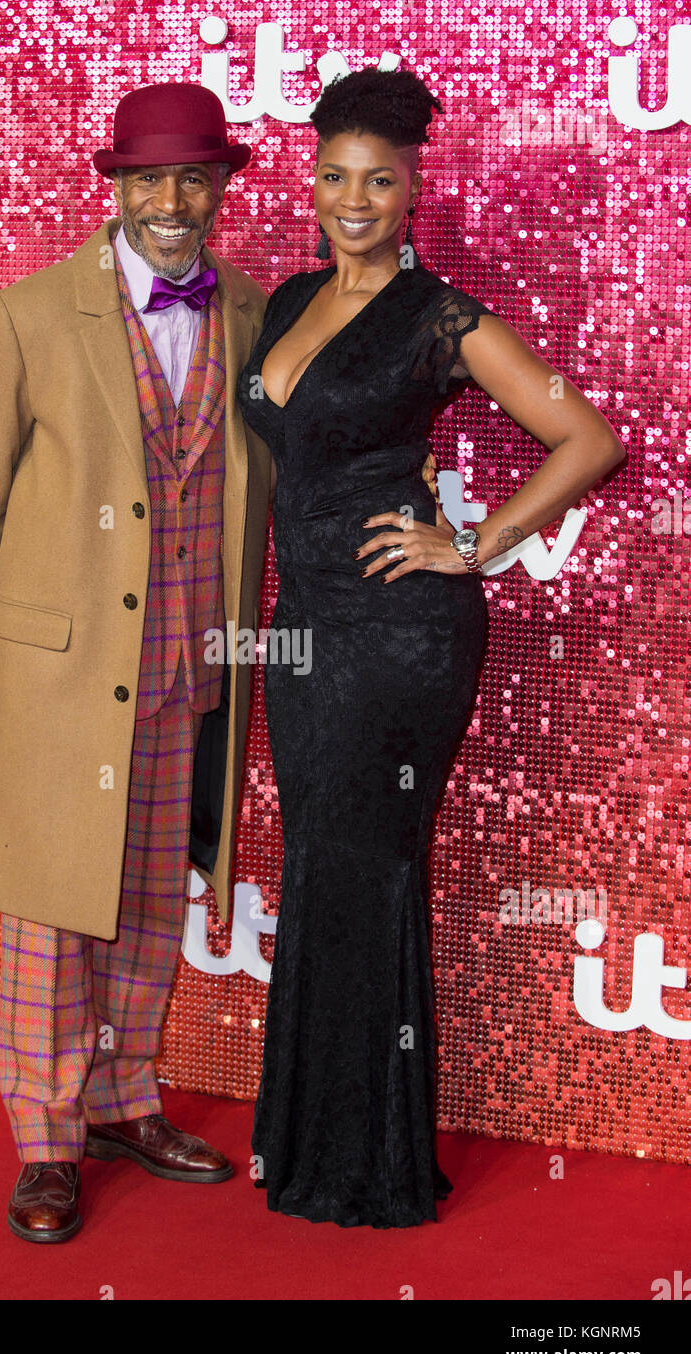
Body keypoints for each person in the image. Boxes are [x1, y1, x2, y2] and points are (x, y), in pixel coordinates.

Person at [236, 66, 625, 1228]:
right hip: (299, 629)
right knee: (321, 865)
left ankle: (367, 1165)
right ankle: (309, 1144)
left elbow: (583, 436)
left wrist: (477, 542)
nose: (354, 199)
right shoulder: (291, 295)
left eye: (380, 181)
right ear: (312, 180)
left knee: (364, 867)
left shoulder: (437, 315)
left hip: (395, 632)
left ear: (412, 190)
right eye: (335, 177)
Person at [0, 82, 273, 1242]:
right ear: (114, 189)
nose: (171, 202)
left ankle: (124, 1103)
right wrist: (50, 624)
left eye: (192, 180)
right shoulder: (24, 319)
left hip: (189, 672)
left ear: (219, 190)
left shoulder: (252, 310)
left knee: (139, 909)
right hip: (66, 679)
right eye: (147, 181)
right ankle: (44, 1139)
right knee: (47, 913)